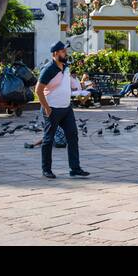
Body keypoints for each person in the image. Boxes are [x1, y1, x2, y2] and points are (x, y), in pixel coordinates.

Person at [36, 42, 90, 179]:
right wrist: (47, 108)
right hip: (52, 109)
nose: (65, 53)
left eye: (65, 50)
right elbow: (38, 90)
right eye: (62, 51)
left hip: (66, 109)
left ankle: (75, 168)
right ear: (55, 54)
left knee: (73, 137)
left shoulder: (66, 67)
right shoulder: (48, 69)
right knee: (48, 139)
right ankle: (46, 170)